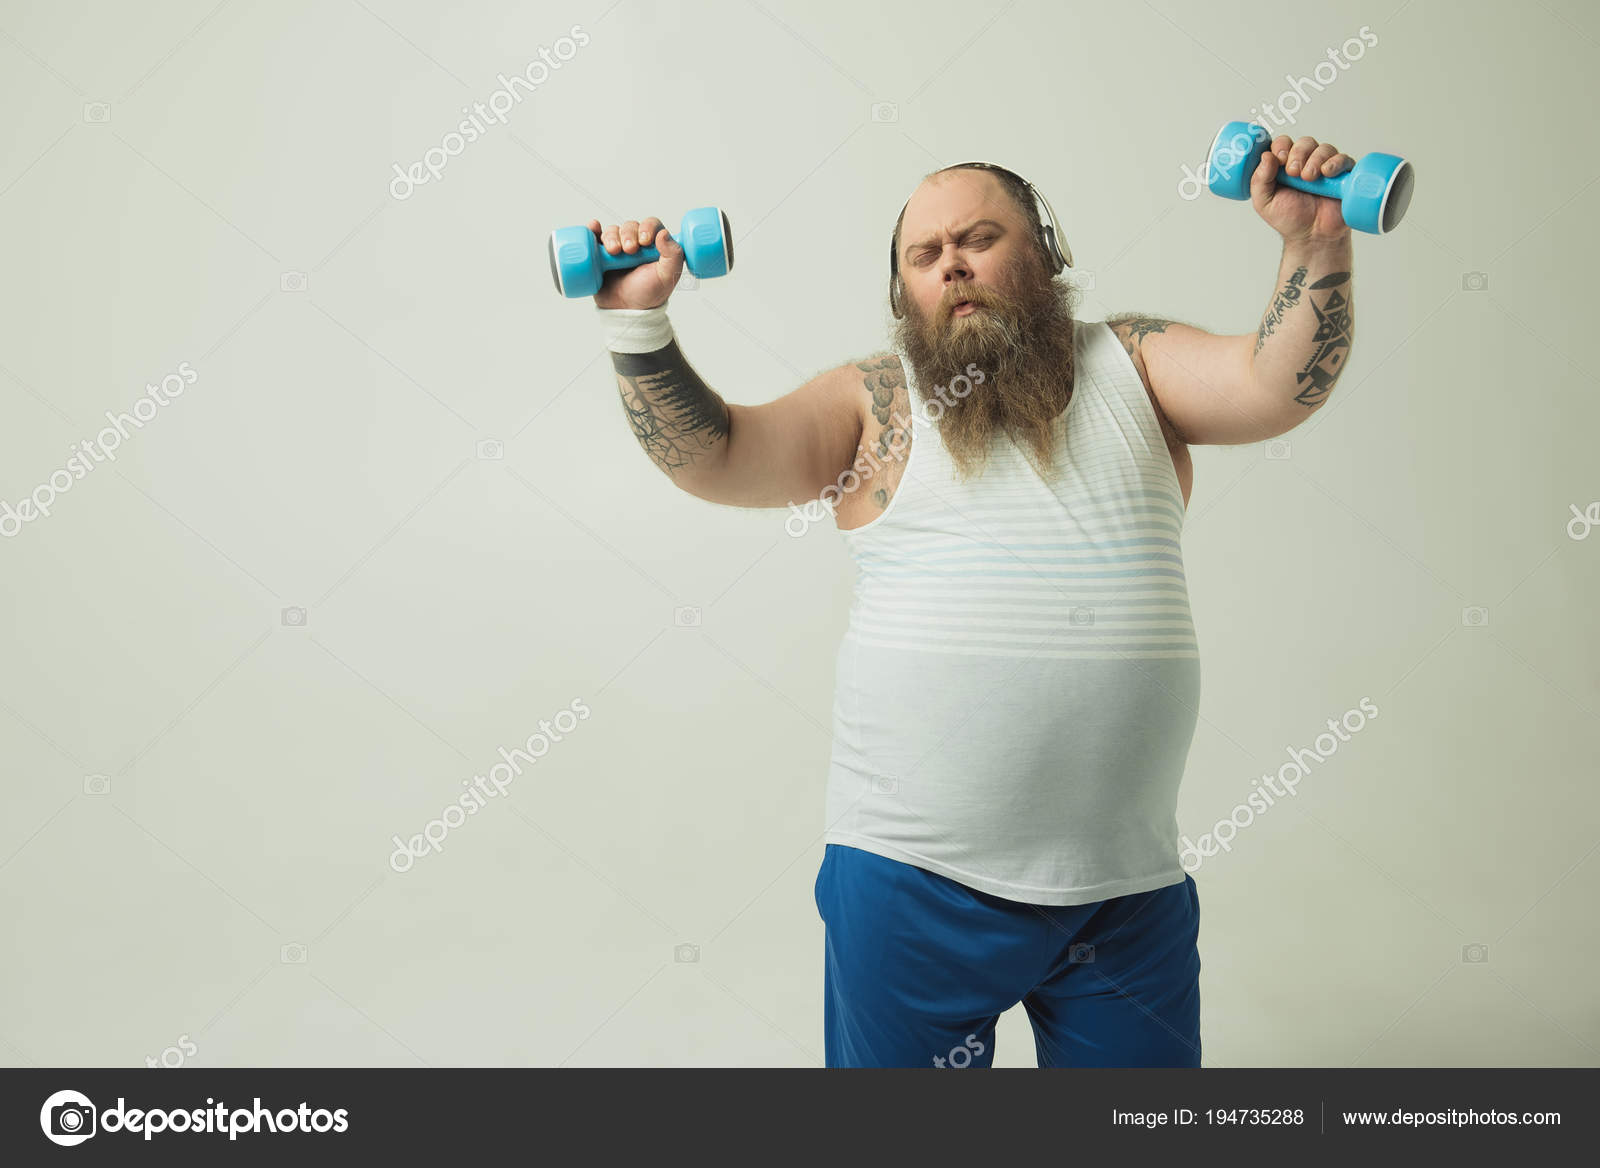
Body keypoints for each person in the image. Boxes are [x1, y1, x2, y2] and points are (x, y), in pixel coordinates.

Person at [585, 133, 1357, 1067]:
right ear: (904, 289)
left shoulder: (1138, 367)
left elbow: (1276, 388)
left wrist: (1316, 246)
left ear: (1044, 252)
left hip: (1125, 892)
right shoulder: (874, 400)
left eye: (979, 237)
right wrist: (638, 325)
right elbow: (713, 456)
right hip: (914, 888)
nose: (951, 261)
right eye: (924, 253)